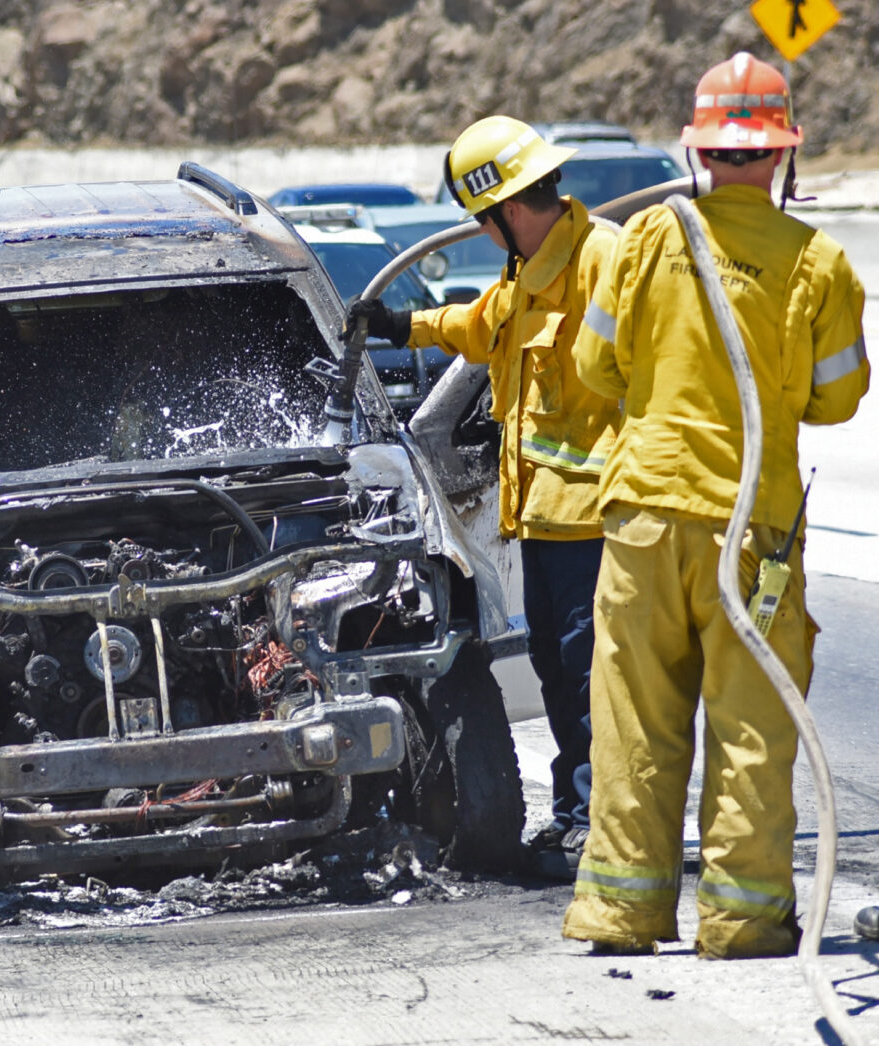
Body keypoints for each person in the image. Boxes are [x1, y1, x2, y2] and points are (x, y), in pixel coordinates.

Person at [562, 52, 869, 958]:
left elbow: (592, 368)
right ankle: (739, 922)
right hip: (753, 537)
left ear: (698, 150)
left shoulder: (647, 240)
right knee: (752, 728)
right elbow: (838, 396)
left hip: (644, 521)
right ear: (782, 155)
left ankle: (623, 912)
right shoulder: (818, 261)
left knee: (633, 726)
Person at [350, 115, 621, 878]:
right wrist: (403, 325)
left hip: (599, 518)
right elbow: (483, 329)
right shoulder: (528, 272)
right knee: (561, 671)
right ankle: (579, 818)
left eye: (484, 219)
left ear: (503, 210)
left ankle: (601, 825)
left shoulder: (604, 260)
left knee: (593, 674)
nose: (484, 232)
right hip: (543, 518)